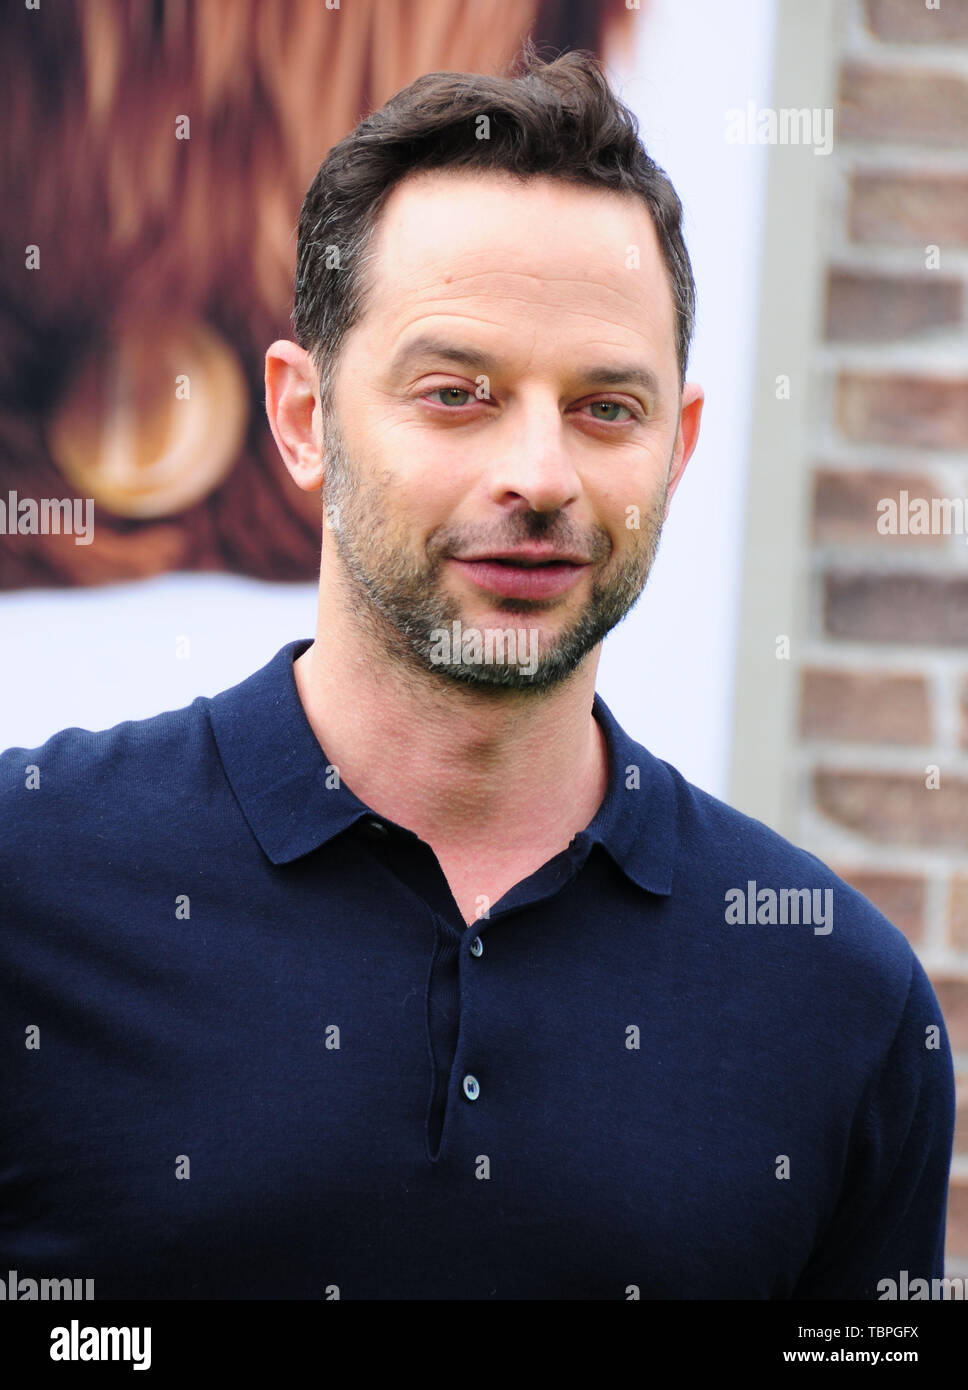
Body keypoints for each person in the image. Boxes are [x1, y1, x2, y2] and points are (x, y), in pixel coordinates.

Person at [0, 41, 954, 1301]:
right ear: (304, 419)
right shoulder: (33, 884)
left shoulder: (835, 998)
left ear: (676, 447)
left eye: (605, 408)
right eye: (457, 393)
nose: (540, 475)